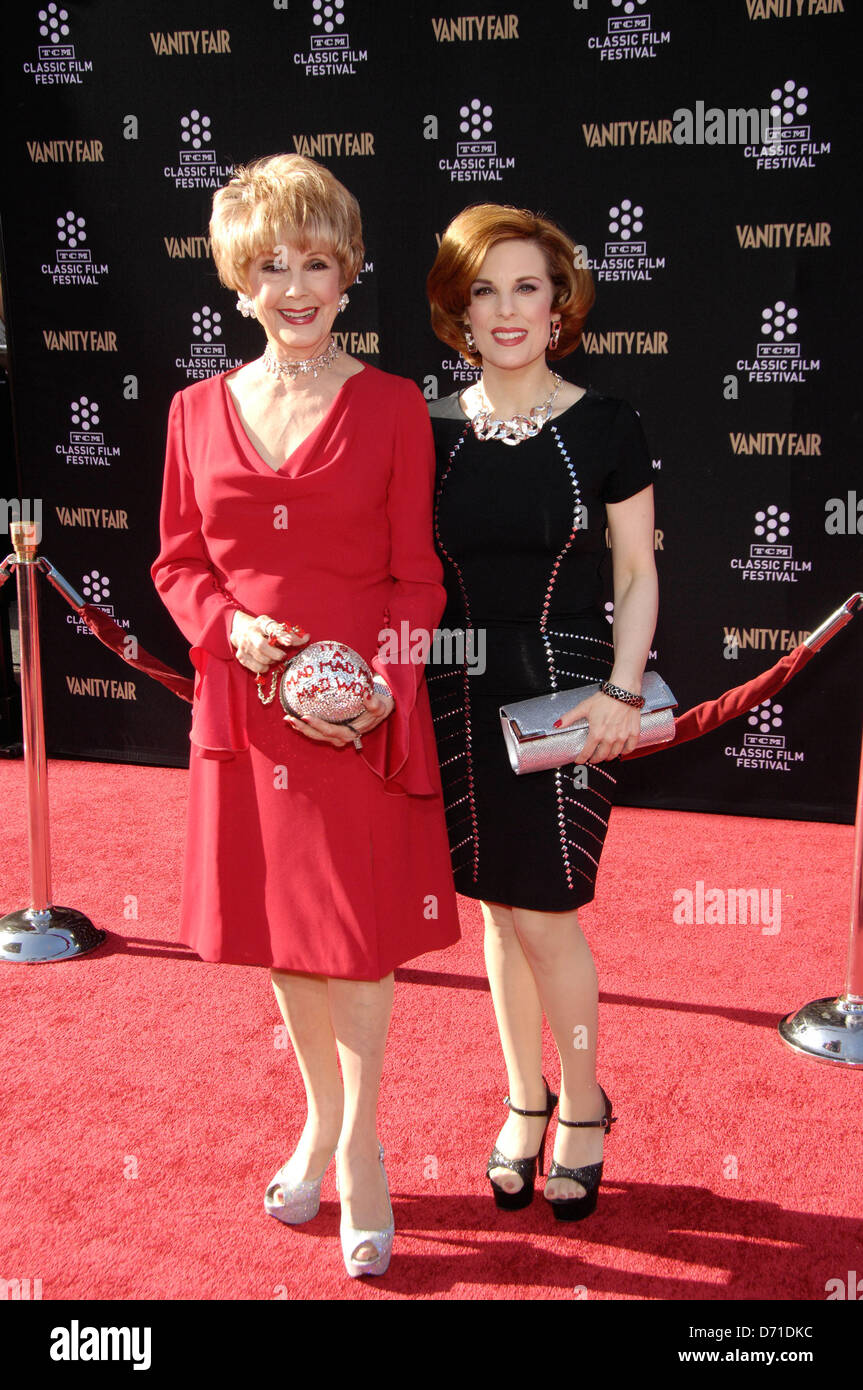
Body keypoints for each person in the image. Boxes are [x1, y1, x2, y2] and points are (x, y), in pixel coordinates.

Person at [151, 154, 459, 1277]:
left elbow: (416, 577)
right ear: (237, 281)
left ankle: (359, 1143)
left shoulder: (388, 408)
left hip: (359, 712)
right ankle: (323, 1127)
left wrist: (383, 684)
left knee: (355, 942)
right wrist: (223, 626)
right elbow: (178, 561)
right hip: (246, 710)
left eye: (315, 263)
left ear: (349, 275)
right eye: (269, 264)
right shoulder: (194, 411)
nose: (293, 285)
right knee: (288, 941)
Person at [425, 205, 658, 1221]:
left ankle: (582, 1107)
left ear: (559, 302)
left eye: (527, 285)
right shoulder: (426, 427)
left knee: (548, 911)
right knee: (493, 905)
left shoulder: (606, 424)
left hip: (568, 689)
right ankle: (523, 1096)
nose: (506, 308)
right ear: (456, 309)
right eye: (483, 288)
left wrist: (619, 687)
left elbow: (637, 570)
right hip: (456, 684)